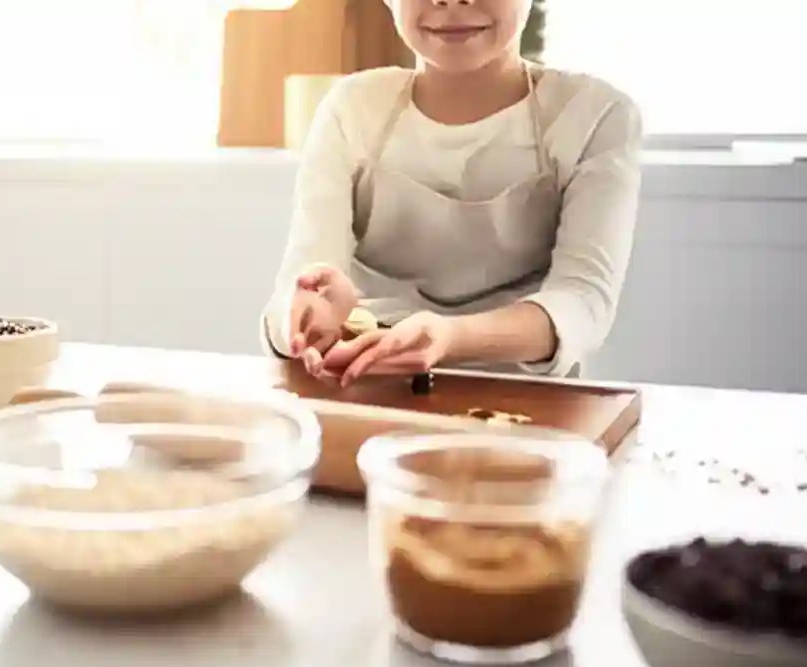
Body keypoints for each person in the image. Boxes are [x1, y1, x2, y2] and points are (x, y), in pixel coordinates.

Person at [261, 0, 642, 386]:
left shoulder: (596, 114)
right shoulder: (351, 108)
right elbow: (301, 277)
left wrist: (451, 337)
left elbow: (582, 302)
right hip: (361, 386)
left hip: (529, 402)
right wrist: (303, 319)